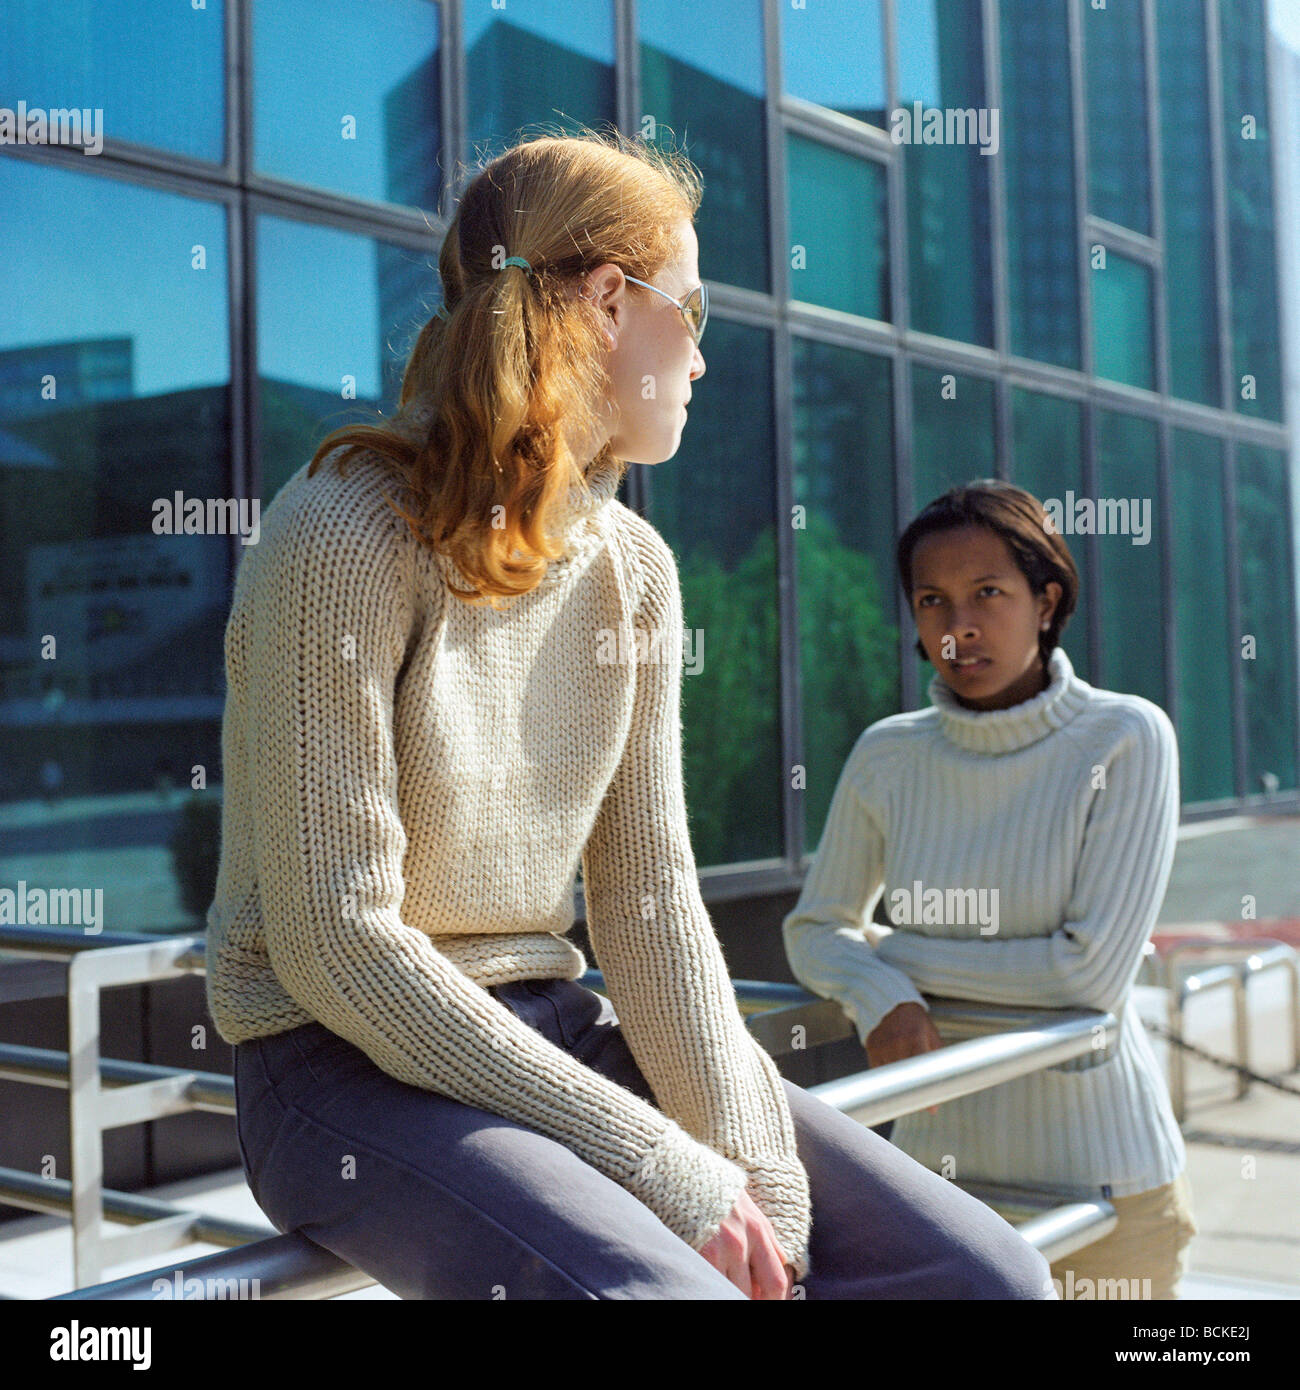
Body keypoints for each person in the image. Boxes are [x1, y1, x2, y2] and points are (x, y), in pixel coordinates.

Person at [205, 128, 1053, 1301]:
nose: (702, 358)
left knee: (985, 1277)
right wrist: (662, 1161)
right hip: (332, 1067)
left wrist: (758, 1170)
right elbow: (338, 944)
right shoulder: (341, 532)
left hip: (555, 1028)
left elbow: (651, 902)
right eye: (691, 313)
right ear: (609, 300)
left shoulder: (634, 571)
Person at [783, 480, 1197, 1300]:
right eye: (931, 599)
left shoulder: (1124, 737)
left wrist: (894, 953)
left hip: (1107, 1194)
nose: (958, 626)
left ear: (1046, 601)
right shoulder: (888, 754)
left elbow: (1088, 974)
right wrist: (879, 991)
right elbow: (815, 928)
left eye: (988, 594)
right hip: (938, 1195)